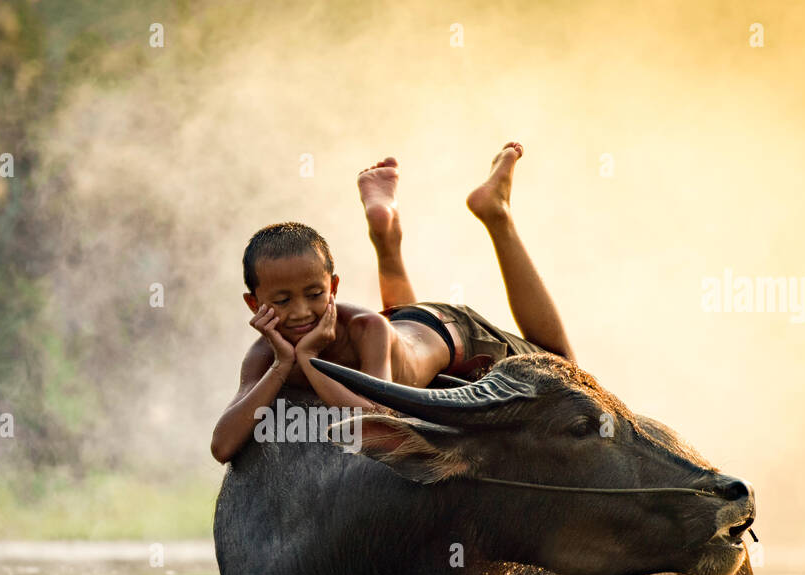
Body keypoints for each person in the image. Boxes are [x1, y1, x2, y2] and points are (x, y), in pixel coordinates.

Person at [210, 143, 576, 463]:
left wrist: (308, 362)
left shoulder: (367, 328)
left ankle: (497, 214)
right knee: (405, 353)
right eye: (282, 300)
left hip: (447, 331)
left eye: (315, 294)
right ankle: (385, 234)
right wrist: (282, 365)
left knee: (563, 365)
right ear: (253, 303)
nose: (302, 311)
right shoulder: (264, 355)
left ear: (334, 287)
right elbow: (222, 446)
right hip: (404, 326)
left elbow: (384, 422)